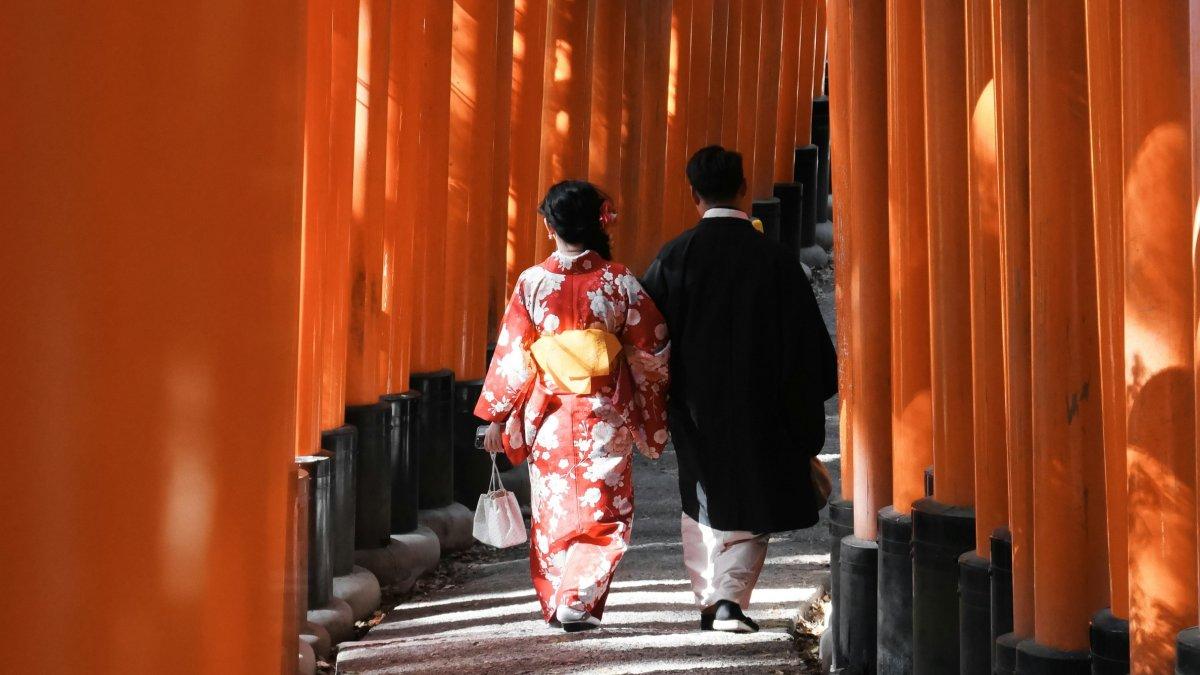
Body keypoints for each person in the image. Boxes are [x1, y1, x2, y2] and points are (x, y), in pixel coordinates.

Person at [641, 145, 837, 633]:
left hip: (694, 403)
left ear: (693, 193)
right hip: (764, 402)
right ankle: (727, 598)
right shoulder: (775, 259)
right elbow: (807, 344)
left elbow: (648, 338)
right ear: (744, 188)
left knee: (701, 492)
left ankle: (712, 598)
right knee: (754, 491)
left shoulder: (674, 256)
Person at [475, 180, 670, 632]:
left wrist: (497, 416)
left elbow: (512, 355)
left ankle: (560, 593)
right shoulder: (618, 281)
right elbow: (652, 348)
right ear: (598, 222)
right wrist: (647, 401)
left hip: (548, 417)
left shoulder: (532, 283)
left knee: (554, 509)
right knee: (606, 510)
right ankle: (576, 598)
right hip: (604, 415)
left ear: (549, 226)